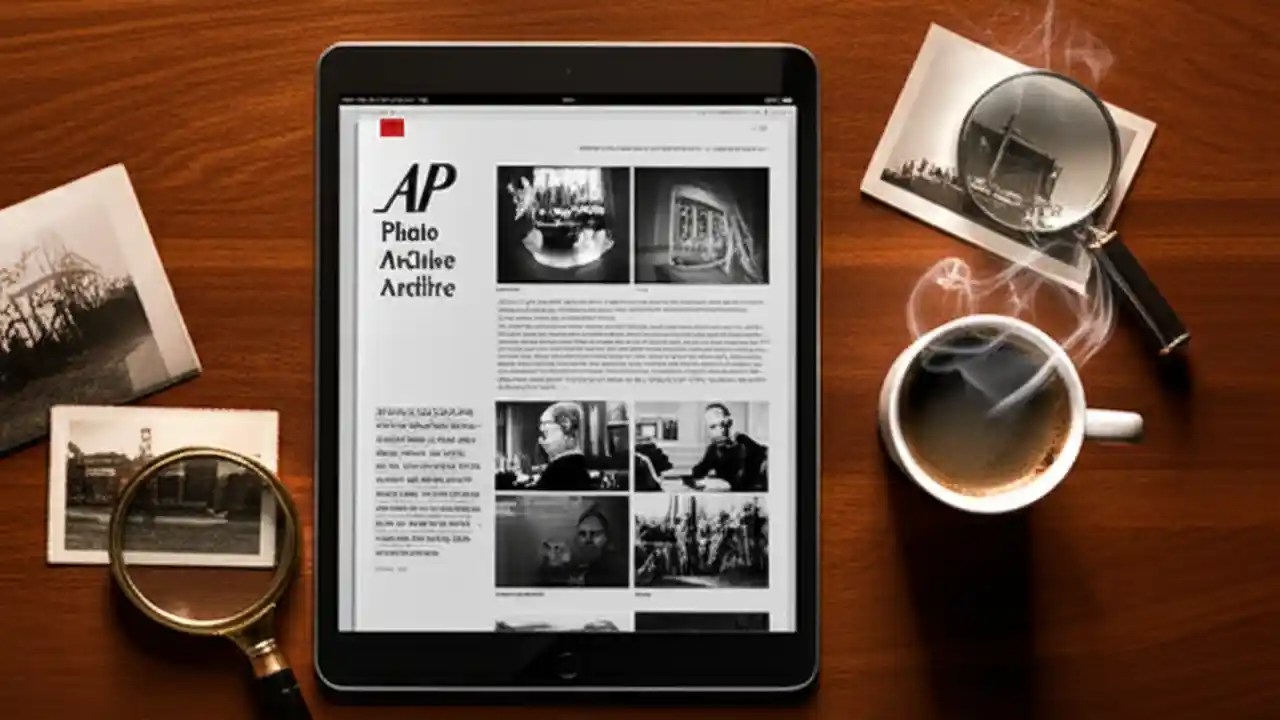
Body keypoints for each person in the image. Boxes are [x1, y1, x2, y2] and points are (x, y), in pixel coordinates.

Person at [690, 403, 768, 491]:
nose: (715, 432)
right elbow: (698, 471)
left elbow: (742, 483)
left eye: (719, 425)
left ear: (729, 423)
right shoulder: (714, 449)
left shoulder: (745, 446)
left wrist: (722, 484)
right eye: (711, 427)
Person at [534, 402, 592, 491]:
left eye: (545, 424)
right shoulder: (578, 466)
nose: (541, 428)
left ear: (566, 424)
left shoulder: (560, 470)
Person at [573, 504, 627, 587]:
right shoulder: (586, 566)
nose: (588, 539)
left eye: (595, 534)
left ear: (607, 537)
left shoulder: (617, 570)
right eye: (582, 534)